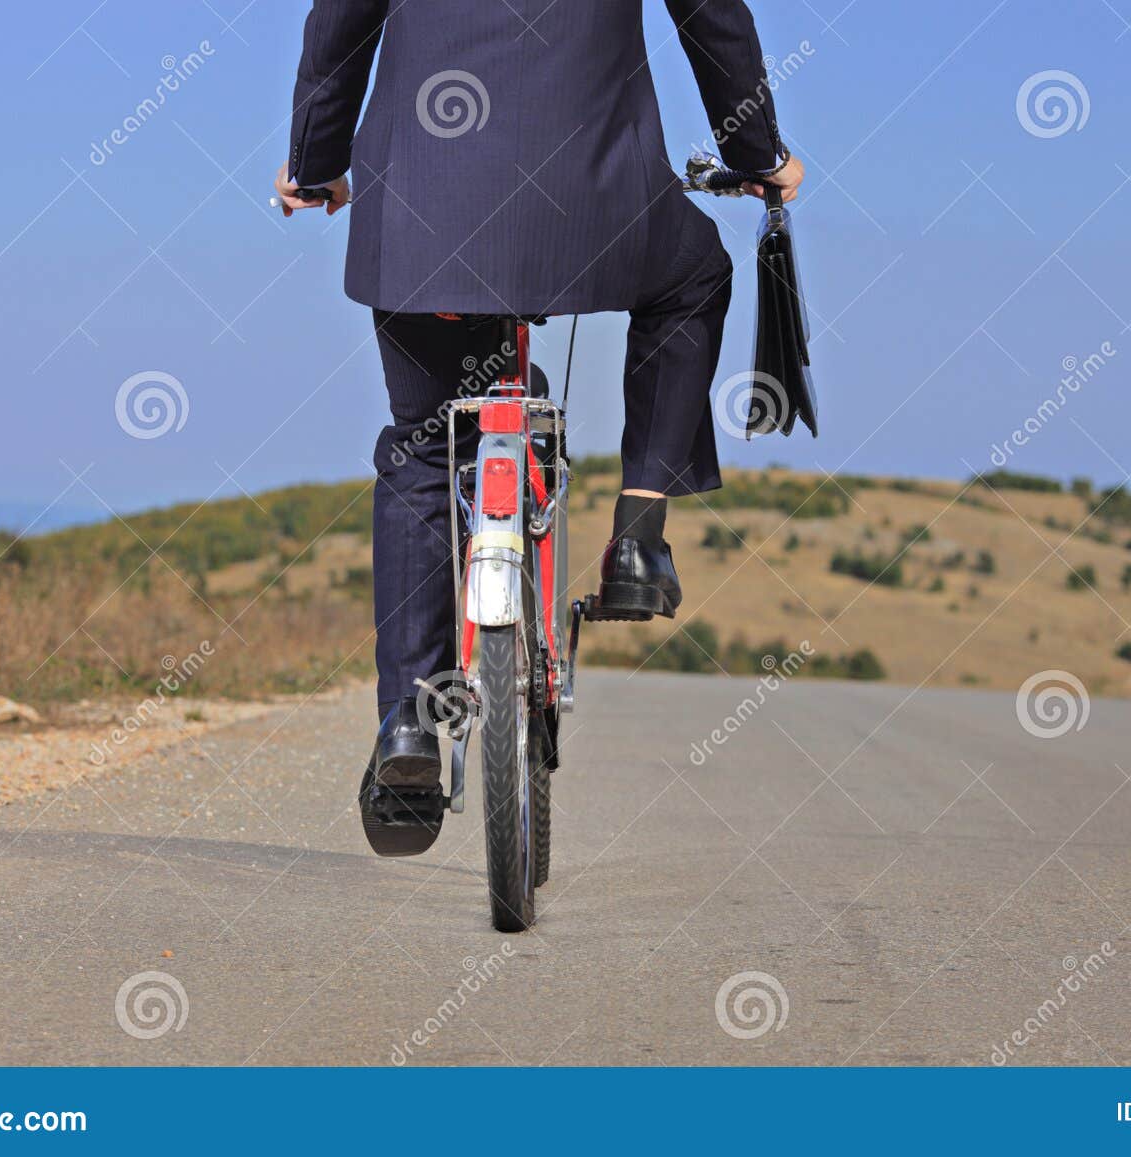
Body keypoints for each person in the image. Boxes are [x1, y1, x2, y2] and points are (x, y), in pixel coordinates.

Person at [275, 0, 804, 811]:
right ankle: (637, 536)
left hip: (424, 212)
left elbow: (340, 24)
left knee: (424, 446)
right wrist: (758, 152)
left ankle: (409, 727)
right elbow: (712, 17)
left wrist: (315, 163)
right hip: (596, 206)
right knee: (696, 275)